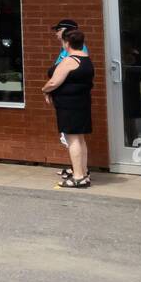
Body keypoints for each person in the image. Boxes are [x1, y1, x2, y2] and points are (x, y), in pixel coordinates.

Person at [43, 27, 93, 188]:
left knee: (72, 140)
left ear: (67, 43)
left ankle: (78, 177)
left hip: (69, 105)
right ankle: (84, 174)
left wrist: (44, 90)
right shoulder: (86, 58)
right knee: (80, 139)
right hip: (82, 102)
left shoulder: (69, 60)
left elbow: (53, 82)